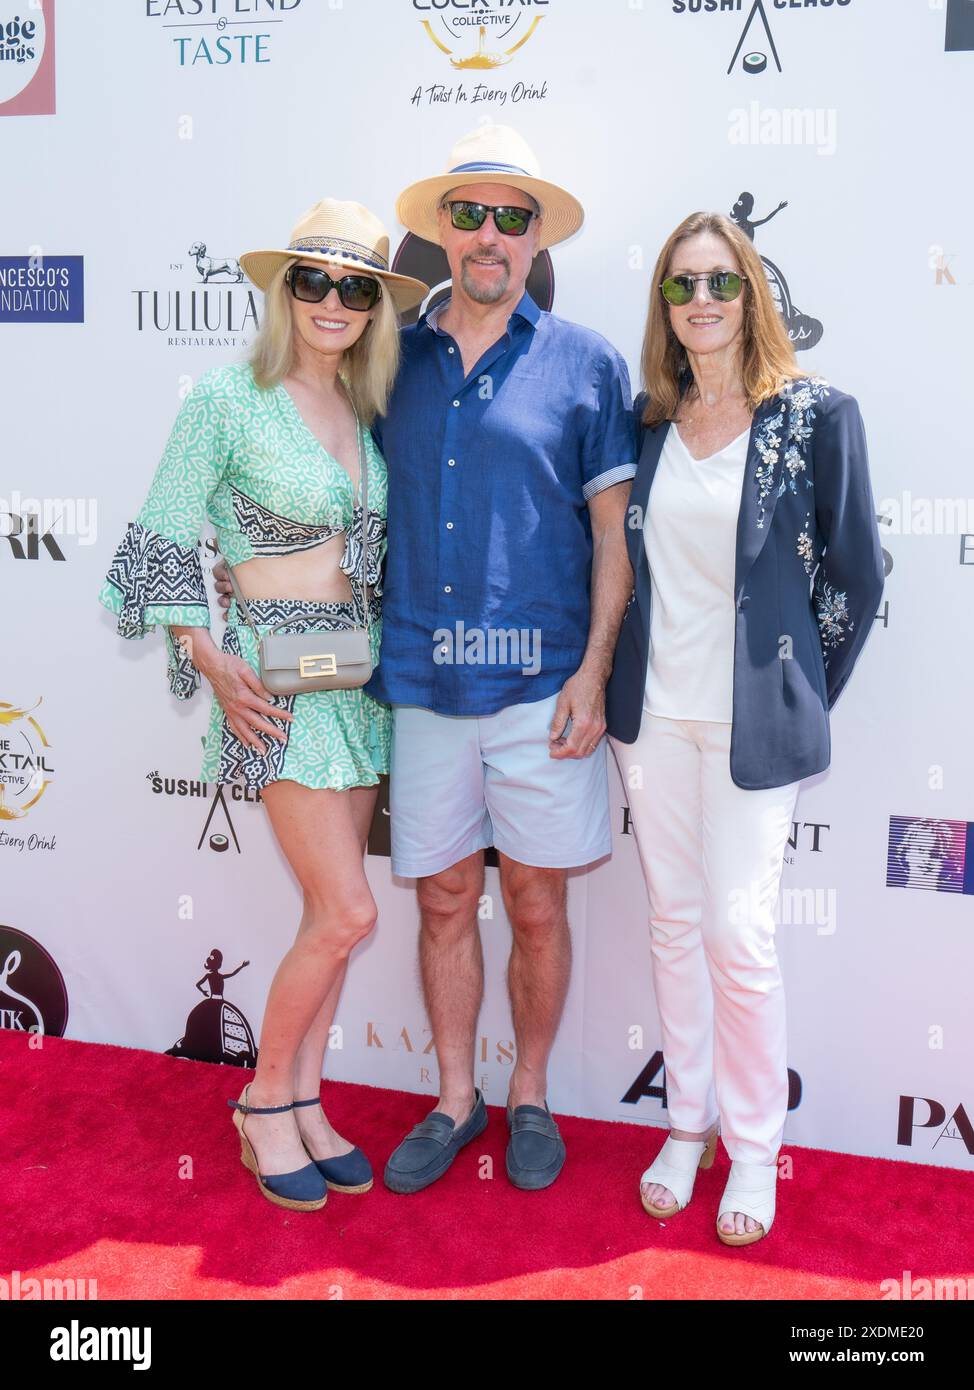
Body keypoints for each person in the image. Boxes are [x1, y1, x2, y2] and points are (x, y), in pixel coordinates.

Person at [215, 126, 636, 1192]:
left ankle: (530, 1093)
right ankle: (454, 1097)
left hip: (544, 688)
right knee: (443, 900)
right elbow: (310, 465)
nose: (487, 235)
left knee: (537, 901)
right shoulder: (385, 352)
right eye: (466, 214)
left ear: (535, 233)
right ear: (438, 230)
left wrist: (592, 673)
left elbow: (610, 541)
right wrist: (238, 567)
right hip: (417, 685)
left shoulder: (587, 361)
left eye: (509, 216)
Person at [98, 200, 427, 1212]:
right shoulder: (227, 400)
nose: (332, 301)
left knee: (325, 915)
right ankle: (258, 1103)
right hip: (275, 679)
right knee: (348, 909)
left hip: (354, 678)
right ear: (284, 290)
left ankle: (303, 1099)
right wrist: (204, 647)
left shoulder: (367, 413)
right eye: (314, 280)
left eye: (355, 286)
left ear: (374, 307)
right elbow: (155, 537)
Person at [605, 210, 884, 1245]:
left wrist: (795, 685)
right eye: (681, 285)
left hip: (749, 730)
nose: (702, 301)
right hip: (653, 721)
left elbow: (855, 578)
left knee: (738, 931)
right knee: (674, 926)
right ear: (664, 306)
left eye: (720, 281)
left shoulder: (815, 415)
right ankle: (684, 1124)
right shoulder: (644, 423)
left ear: (751, 294)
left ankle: (754, 1148)